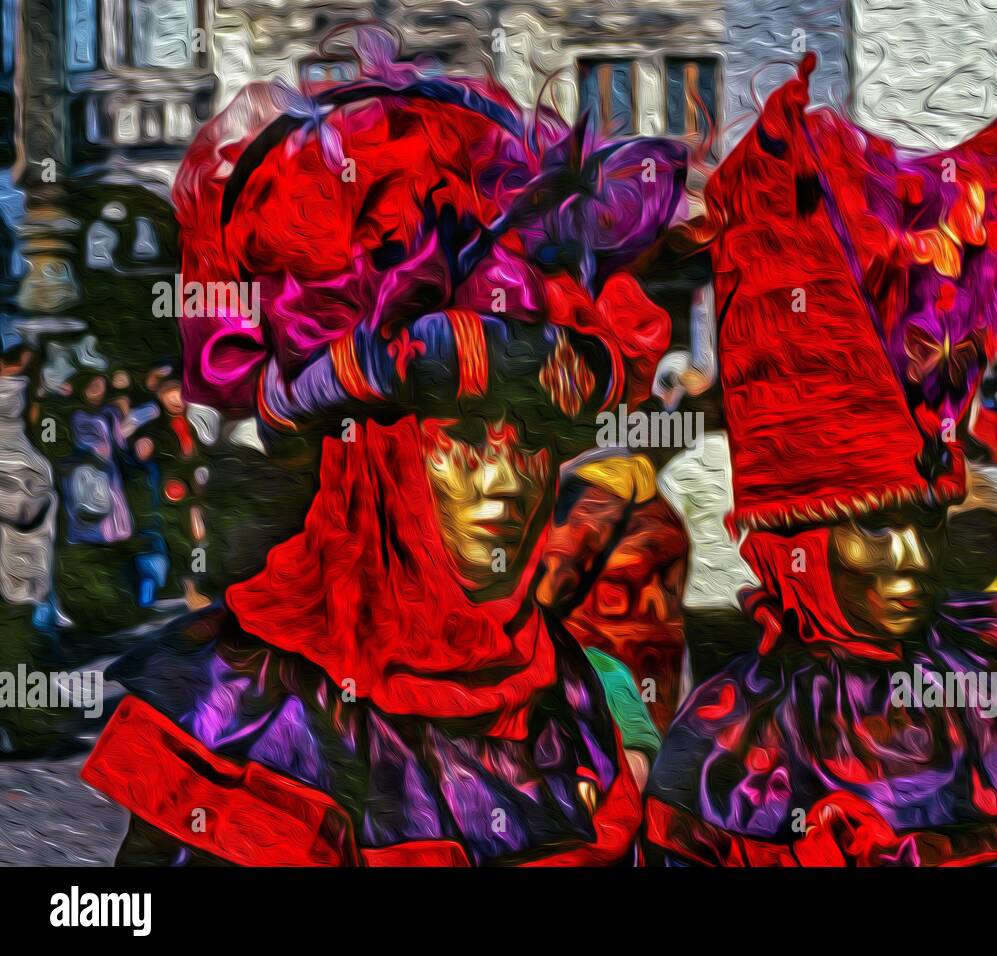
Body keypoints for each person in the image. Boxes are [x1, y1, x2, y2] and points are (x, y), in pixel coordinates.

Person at [81, 30, 687, 866]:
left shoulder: (569, 696)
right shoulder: (251, 715)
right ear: (376, 463)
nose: (510, 481)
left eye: (537, 441)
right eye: (466, 440)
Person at [644, 56, 997, 866]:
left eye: (922, 519)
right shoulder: (723, 750)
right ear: (797, 544)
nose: (912, 558)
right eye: (872, 525)